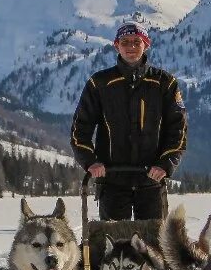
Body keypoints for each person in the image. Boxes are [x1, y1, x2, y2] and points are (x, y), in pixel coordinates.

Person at [70, 21, 187, 220]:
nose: (131, 47)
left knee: (152, 245)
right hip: (112, 181)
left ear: (146, 44)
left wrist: (165, 164)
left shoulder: (164, 83)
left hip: (152, 180)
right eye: (125, 42)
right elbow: (80, 129)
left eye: (136, 42)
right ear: (116, 45)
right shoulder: (99, 83)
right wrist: (91, 162)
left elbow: (178, 129)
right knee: (113, 243)